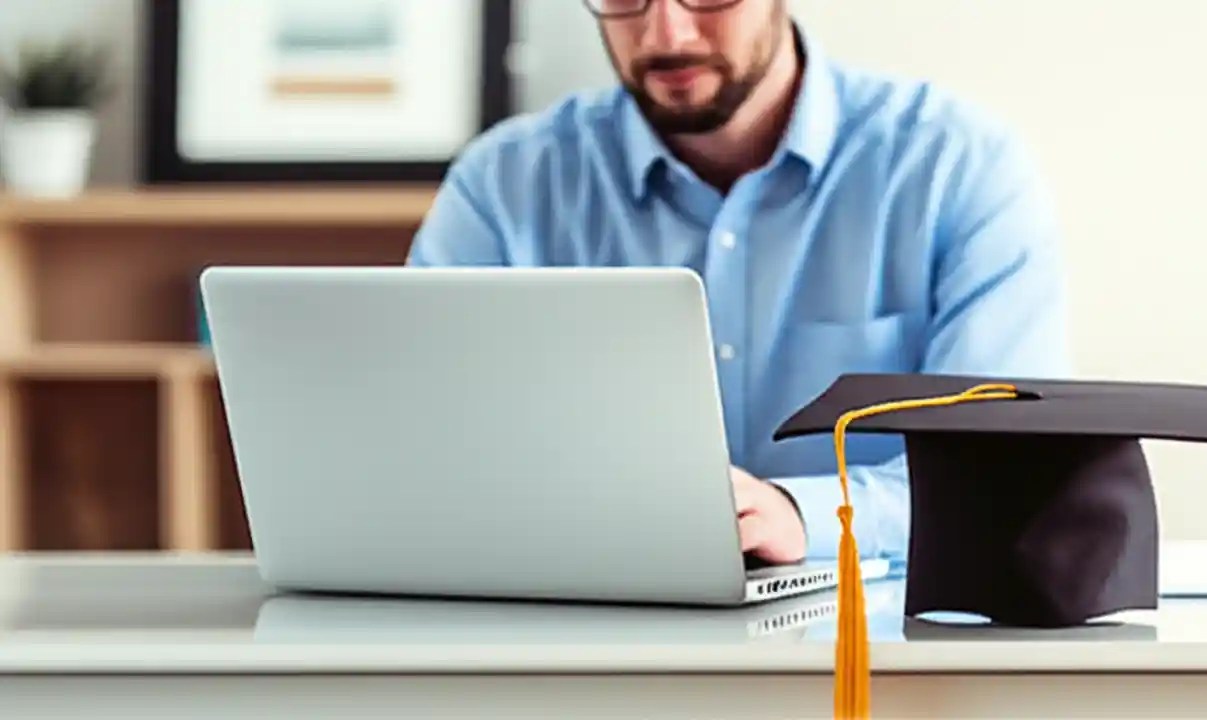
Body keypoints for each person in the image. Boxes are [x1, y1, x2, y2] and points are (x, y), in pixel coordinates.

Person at [406, 0, 1070, 568]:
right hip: (578, 651)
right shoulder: (503, 186)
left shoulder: (956, 167)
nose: (667, 34)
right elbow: (418, 456)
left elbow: (998, 476)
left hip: (881, 667)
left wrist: (804, 515)